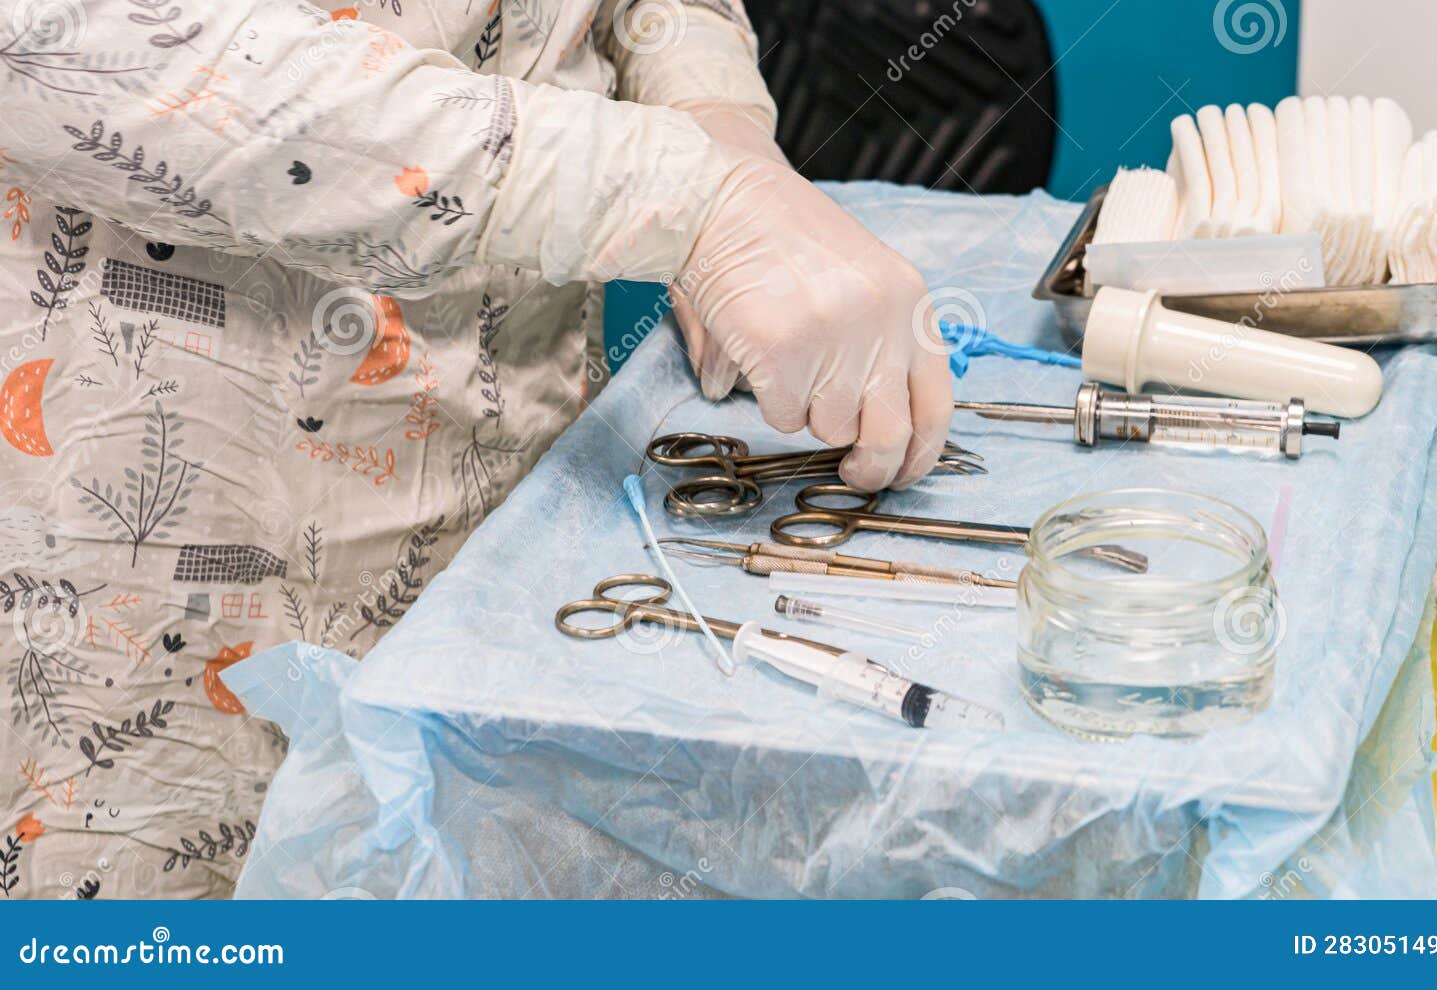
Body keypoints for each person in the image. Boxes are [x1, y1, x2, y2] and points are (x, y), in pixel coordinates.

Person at [0, 0, 952, 898]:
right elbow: (75, 44)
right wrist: (681, 192)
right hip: (173, 517)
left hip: (507, 474)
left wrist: (714, 119)